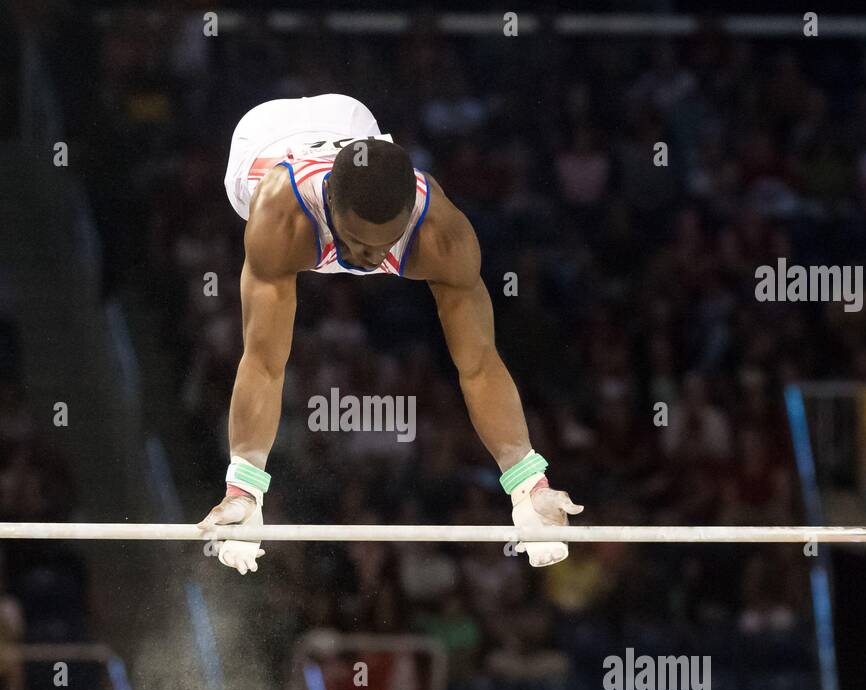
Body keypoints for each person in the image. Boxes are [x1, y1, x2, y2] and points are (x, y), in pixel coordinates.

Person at [199, 94, 583, 574]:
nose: (371, 257)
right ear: (330, 203)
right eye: (359, 241)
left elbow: (480, 366)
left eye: (387, 243)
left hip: (350, 119)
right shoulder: (281, 217)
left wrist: (528, 482)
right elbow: (264, 362)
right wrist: (244, 488)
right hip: (261, 138)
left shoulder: (442, 235)